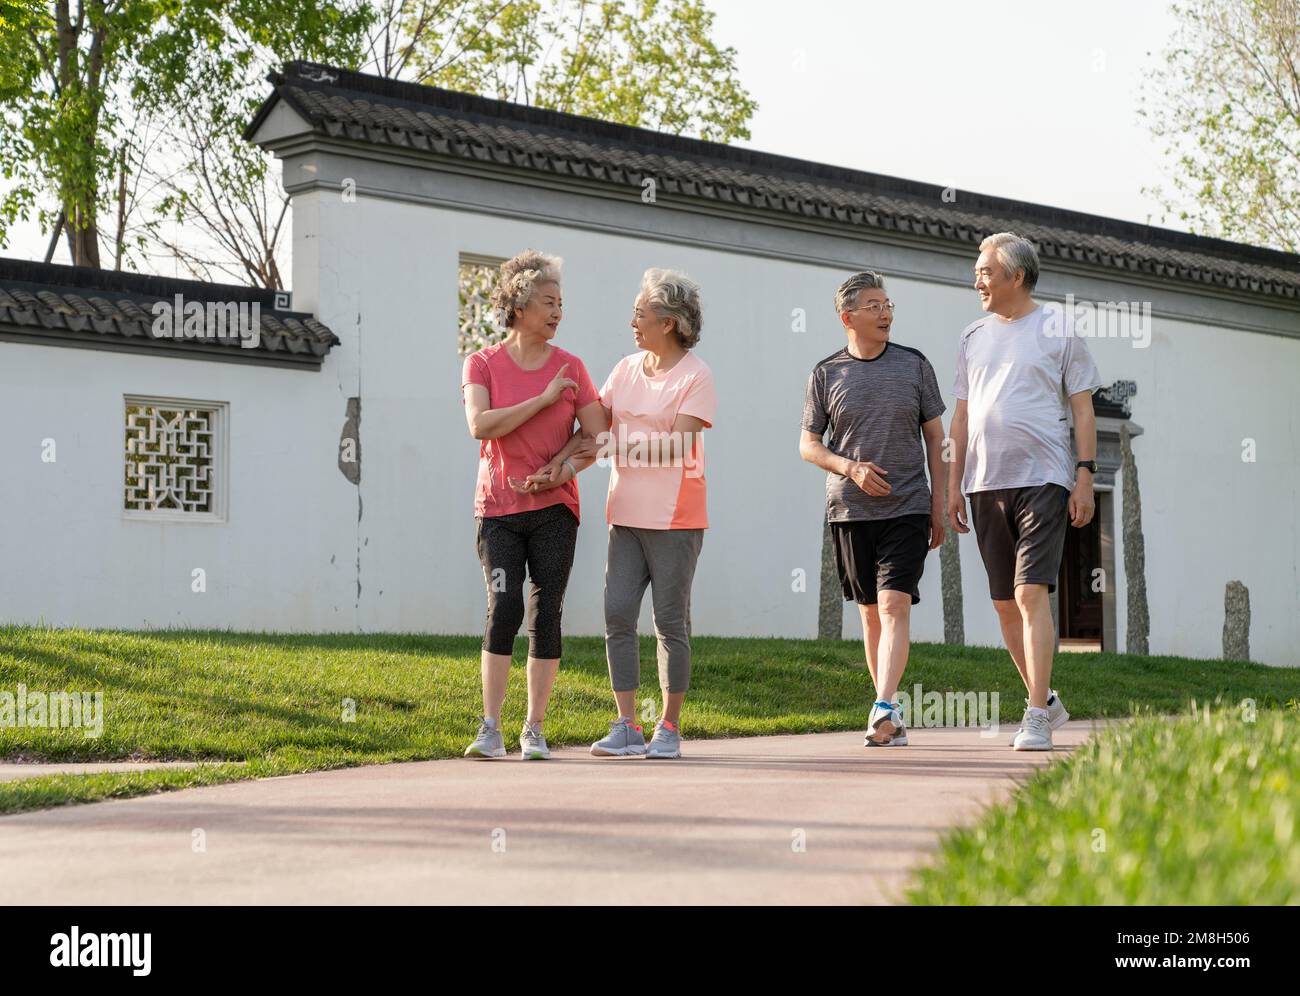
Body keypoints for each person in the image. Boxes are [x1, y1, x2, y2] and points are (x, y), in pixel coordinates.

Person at [535, 269, 716, 760]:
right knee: (617, 615)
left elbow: (678, 444)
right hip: (626, 516)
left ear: (671, 322)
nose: (632, 321)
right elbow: (594, 434)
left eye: (641, 313)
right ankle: (627, 725)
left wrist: (614, 445)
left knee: (669, 623)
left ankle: (670, 728)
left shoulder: (695, 376)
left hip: (676, 519)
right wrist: (561, 466)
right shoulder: (625, 370)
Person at [946, 232, 1102, 751]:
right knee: (1003, 605)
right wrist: (952, 485)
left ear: (1016, 275)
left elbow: (1083, 408)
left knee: (1029, 591)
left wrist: (1085, 474)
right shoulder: (972, 335)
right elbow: (962, 417)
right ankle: (1047, 699)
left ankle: (1035, 713)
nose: (978, 280)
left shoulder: (1059, 327)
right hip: (985, 482)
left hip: (1044, 477)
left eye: (986, 271)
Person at [460, 250, 605, 760]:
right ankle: (490, 727)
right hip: (497, 509)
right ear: (519, 303)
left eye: (561, 303)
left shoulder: (573, 366)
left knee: (547, 610)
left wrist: (562, 466)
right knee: (504, 606)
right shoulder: (481, 363)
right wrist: (543, 401)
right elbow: (481, 425)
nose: (558, 311)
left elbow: (598, 435)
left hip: (555, 510)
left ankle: (534, 729)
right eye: (548, 301)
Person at [800, 271, 946, 747]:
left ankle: (883, 704)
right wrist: (850, 467)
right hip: (850, 509)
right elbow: (808, 445)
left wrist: (938, 504)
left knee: (893, 602)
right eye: (874, 305)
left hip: (907, 505)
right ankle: (889, 709)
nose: (885, 313)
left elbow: (936, 440)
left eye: (888, 305)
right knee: (869, 614)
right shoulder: (826, 373)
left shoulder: (914, 365)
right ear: (848, 317)